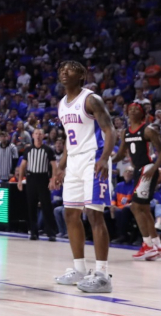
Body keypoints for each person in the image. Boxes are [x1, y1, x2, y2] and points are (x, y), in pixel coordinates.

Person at [51, 60, 117, 293]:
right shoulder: (62, 104)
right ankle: (79, 269)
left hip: (94, 158)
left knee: (94, 214)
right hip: (75, 161)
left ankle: (102, 274)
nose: (64, 73)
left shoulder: (91, 99)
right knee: (70, 213)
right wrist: (61, 167)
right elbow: (70, 139)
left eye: (69, 70)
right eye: (61, 70)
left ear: (82, 75)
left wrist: (104, 158)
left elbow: (110, 130)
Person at [122, 102, 161, 260]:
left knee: (135, 207)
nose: (133, 110)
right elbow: (122, 154)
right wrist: (105, 159)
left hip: (147, 169)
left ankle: (147, 245)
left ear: (142, 114)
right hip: (137, 171)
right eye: (131, 108)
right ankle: (158, 246)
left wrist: (153, 169)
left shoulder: (148, 130)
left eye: (136, 109)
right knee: (145, 209)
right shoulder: (125, 132)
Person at [18, 129, 58, 241]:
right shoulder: (28, 150)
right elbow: (22, 166)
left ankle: (51, 233)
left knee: (47, 206)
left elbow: (54, 166)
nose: (38, 136)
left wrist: (53, 179)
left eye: (40, 134)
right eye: (36, 134)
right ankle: (33, 232)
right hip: (31, 178)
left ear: (44, 136)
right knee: (31, 206)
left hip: (43, 178)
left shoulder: (48, 150)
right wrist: (20, 180)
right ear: (33, 135)